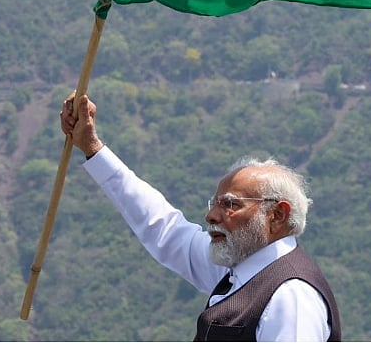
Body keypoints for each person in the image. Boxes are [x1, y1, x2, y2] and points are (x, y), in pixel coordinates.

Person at [60, 92, 341, 341]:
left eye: (230, 204)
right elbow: (163, 228)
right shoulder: (240, 268)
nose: (211, 216)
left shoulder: (290, 297)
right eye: (215, 204)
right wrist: (92, 148)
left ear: (277, 215)